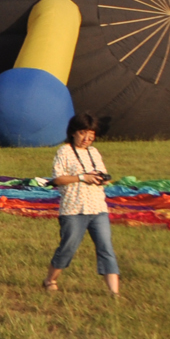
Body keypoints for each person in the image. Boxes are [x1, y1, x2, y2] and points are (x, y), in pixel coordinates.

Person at [44, 114, 120, 297]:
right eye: (82, 133)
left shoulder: (94, 152)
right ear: (73, 133)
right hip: (73, 209)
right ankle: (50, 280)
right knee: (68, 247)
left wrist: (101, 180)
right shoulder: (64, 152)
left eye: (91, 133)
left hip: (98, 208)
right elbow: (57, 179)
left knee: (106, 247)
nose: (87, 138)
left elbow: (103, 174)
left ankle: (114, 293)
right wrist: (81, 177)